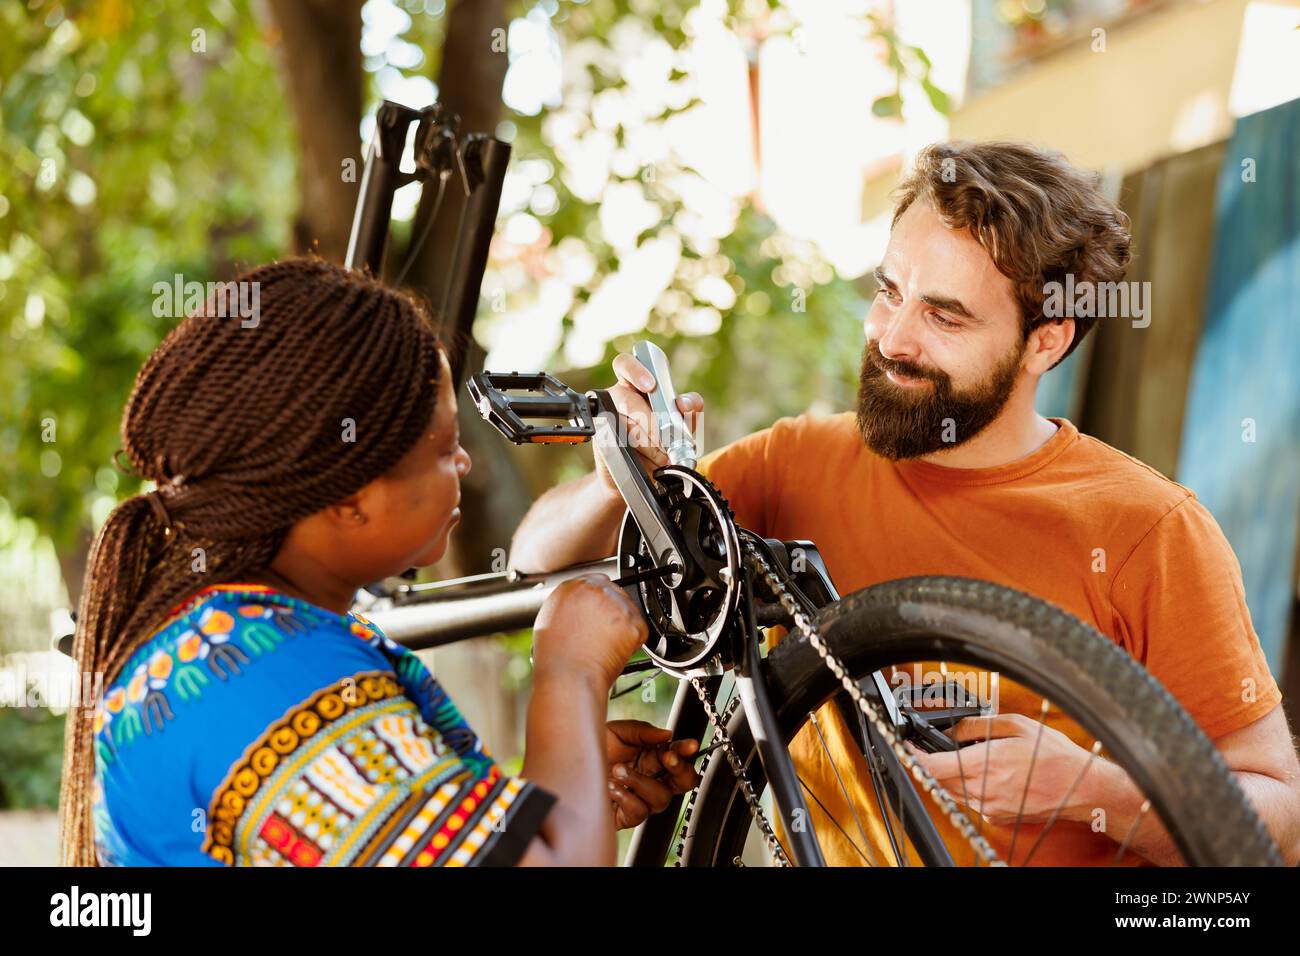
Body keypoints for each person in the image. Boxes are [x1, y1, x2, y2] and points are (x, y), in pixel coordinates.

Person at [509, 141, 1300, 866]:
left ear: (1046, 340)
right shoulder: (796, 463)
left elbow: (1277, 820)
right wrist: (617, 479)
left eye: (944, 315)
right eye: (890, 292)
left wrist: (1096, 791)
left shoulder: (1148, 529)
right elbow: (541, 562)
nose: (892, 337)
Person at [59, 257, 699, 867]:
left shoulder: (238, 649)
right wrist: (570, 671)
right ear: (350, 494)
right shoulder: (269, 678)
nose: (465, 465)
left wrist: (565, 788)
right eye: (446, 448)